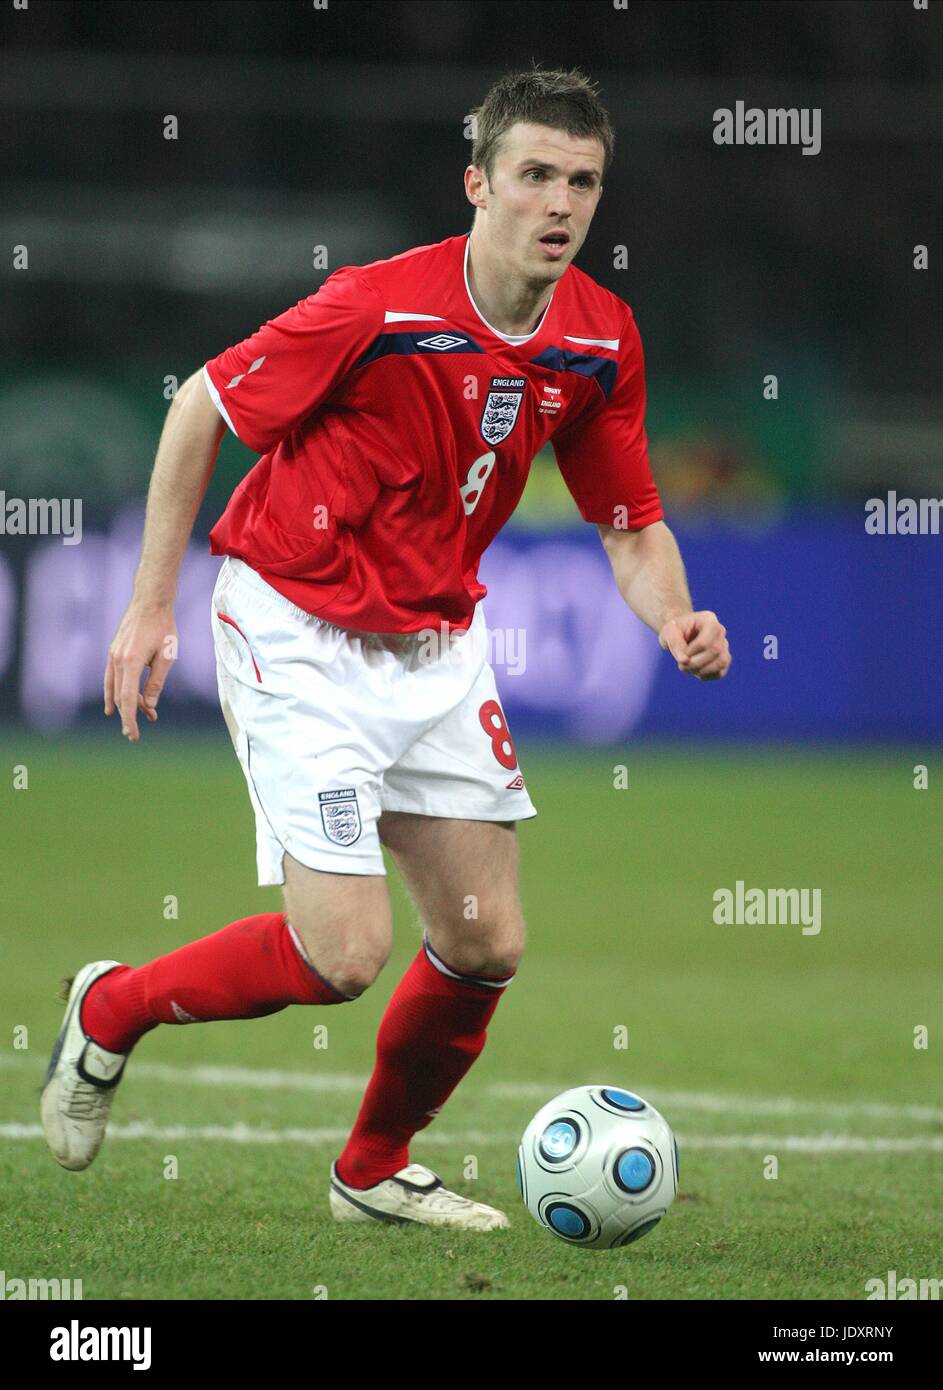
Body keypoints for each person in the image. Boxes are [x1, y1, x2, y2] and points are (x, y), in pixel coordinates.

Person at [41, 65, 730, 1230]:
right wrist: (149, 604)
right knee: (342, 956)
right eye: (534, 177)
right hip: (293, 623)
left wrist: (671, 613)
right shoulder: (377, 307)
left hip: (436, 639)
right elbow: (201, 404)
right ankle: (111, 1009)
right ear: (478, 183)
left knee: (485, 941)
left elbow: (627, 524)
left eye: (583, 181)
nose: (558, 204)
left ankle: (369, 1170)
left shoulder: (601, 341)